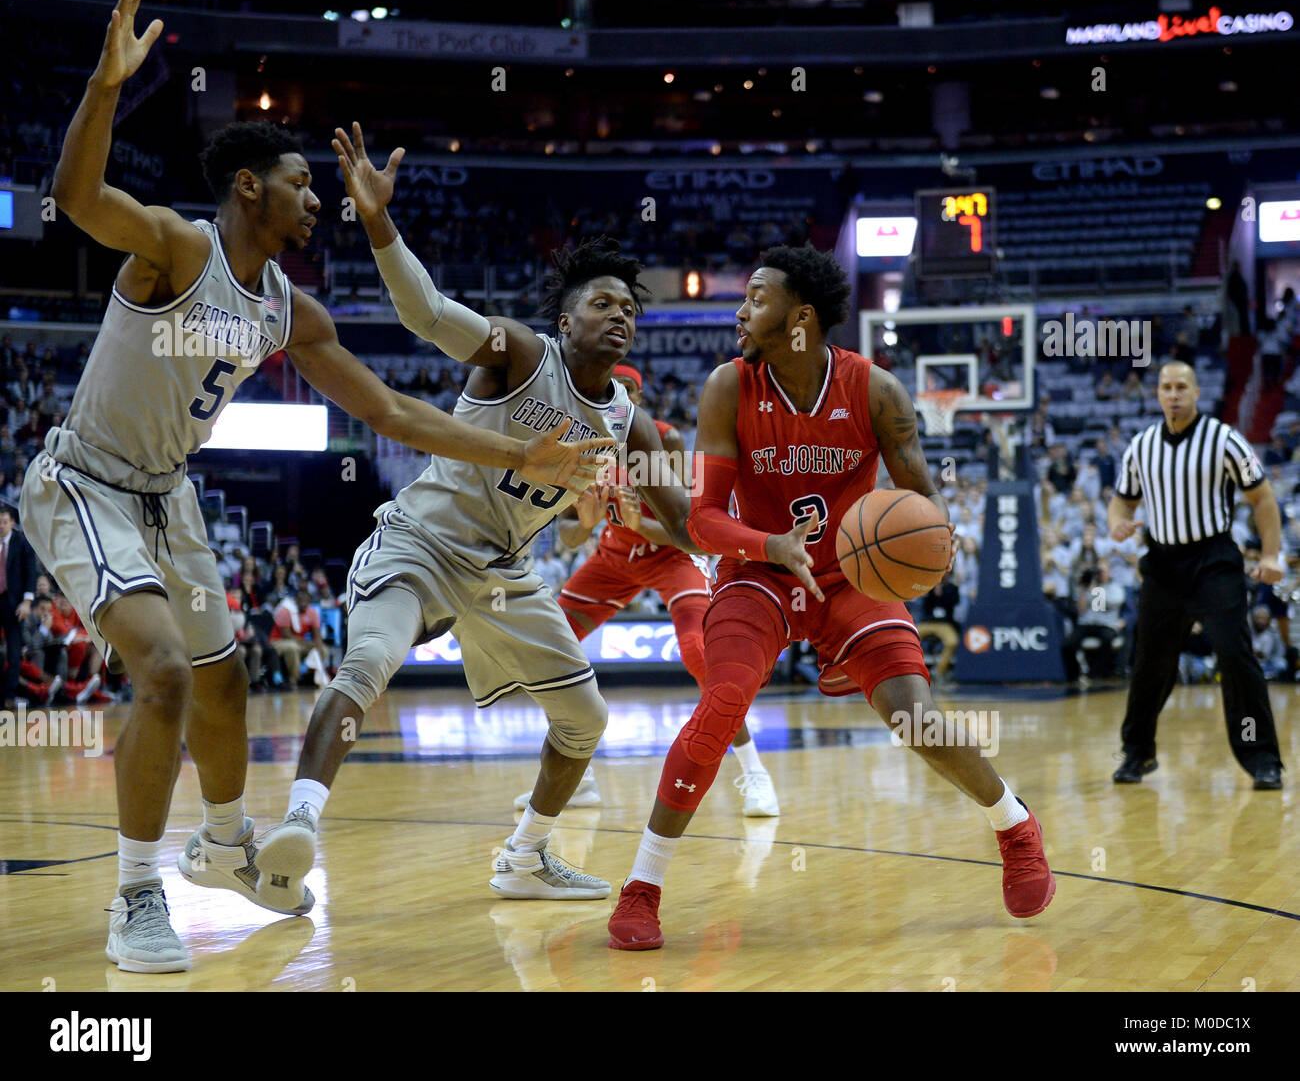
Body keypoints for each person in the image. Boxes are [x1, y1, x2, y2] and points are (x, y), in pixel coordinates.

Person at [23, 0, 609, 976]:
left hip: (169, 499)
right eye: (299, 181)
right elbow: (78, 198)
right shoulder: (175, 246)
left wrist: (522, 451)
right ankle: (134, 896)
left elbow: (390, 411)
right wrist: (107, 84)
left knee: (225, 680)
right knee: (162, 672)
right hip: (86, 485)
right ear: (250, 186)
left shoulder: (288, 307)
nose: (314, 197)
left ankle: (223, 848)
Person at [254, 124, 698, 912]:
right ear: (567, 322)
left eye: (629, 306)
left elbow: (682, 520)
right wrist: (379, 221)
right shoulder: (522, 353)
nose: (619, 313)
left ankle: (525, 857)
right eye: (602, 302)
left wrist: (761, 543)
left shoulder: (634, 422)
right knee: (366, 668)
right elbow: (425, 311)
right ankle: (296, 825)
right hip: (422, 542)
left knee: (585, 718)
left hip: (504, 576)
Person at [607, 245, 1054, 950]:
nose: (740, 308)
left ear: (801, 317)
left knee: (914, 717)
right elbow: (702, 519)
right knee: (721, 703)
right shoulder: (729, 386)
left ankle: (1015, 825)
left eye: (755, 297)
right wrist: (769, 546)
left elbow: (922, 505)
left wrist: (925, 554)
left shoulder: (877, 391)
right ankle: (642, 888)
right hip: (759, 575)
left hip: (851, 577)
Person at [516, 363, 779, 818]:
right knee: (545, 646)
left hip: (672, 557)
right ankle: (577, 778)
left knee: (700, 653)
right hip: (613, 558)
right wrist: (589, 524)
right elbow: (569, 539)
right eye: (616, 389)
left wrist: (641, 526)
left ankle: (754, 771)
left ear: (637, 396)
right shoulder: (578, 443)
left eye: (631, 390)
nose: (624, 397)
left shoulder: (665, 439)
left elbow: (691, 531)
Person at [1108, 361, 1285, 789]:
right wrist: (1116, 522)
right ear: (1158, 395)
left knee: (1234, 653)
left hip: (1213, 562)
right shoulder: (1141, 446)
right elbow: (1122, 503)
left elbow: (1262, 499)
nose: (1173, 394)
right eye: (1166, 387)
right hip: (1163, 565)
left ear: (1196, 392)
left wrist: (1273, 554)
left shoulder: (1224, 440)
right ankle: (1137, 752)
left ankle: (1261, 757)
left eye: (1181, 387)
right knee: (1150, 661)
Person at [0, 505, 38, 709]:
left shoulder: (21, 541)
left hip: (14, 603)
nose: (1, 526)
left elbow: (31, 572)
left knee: (14, 652)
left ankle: (9, 695)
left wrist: (28, 601)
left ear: (12, 522)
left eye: (4, 521)